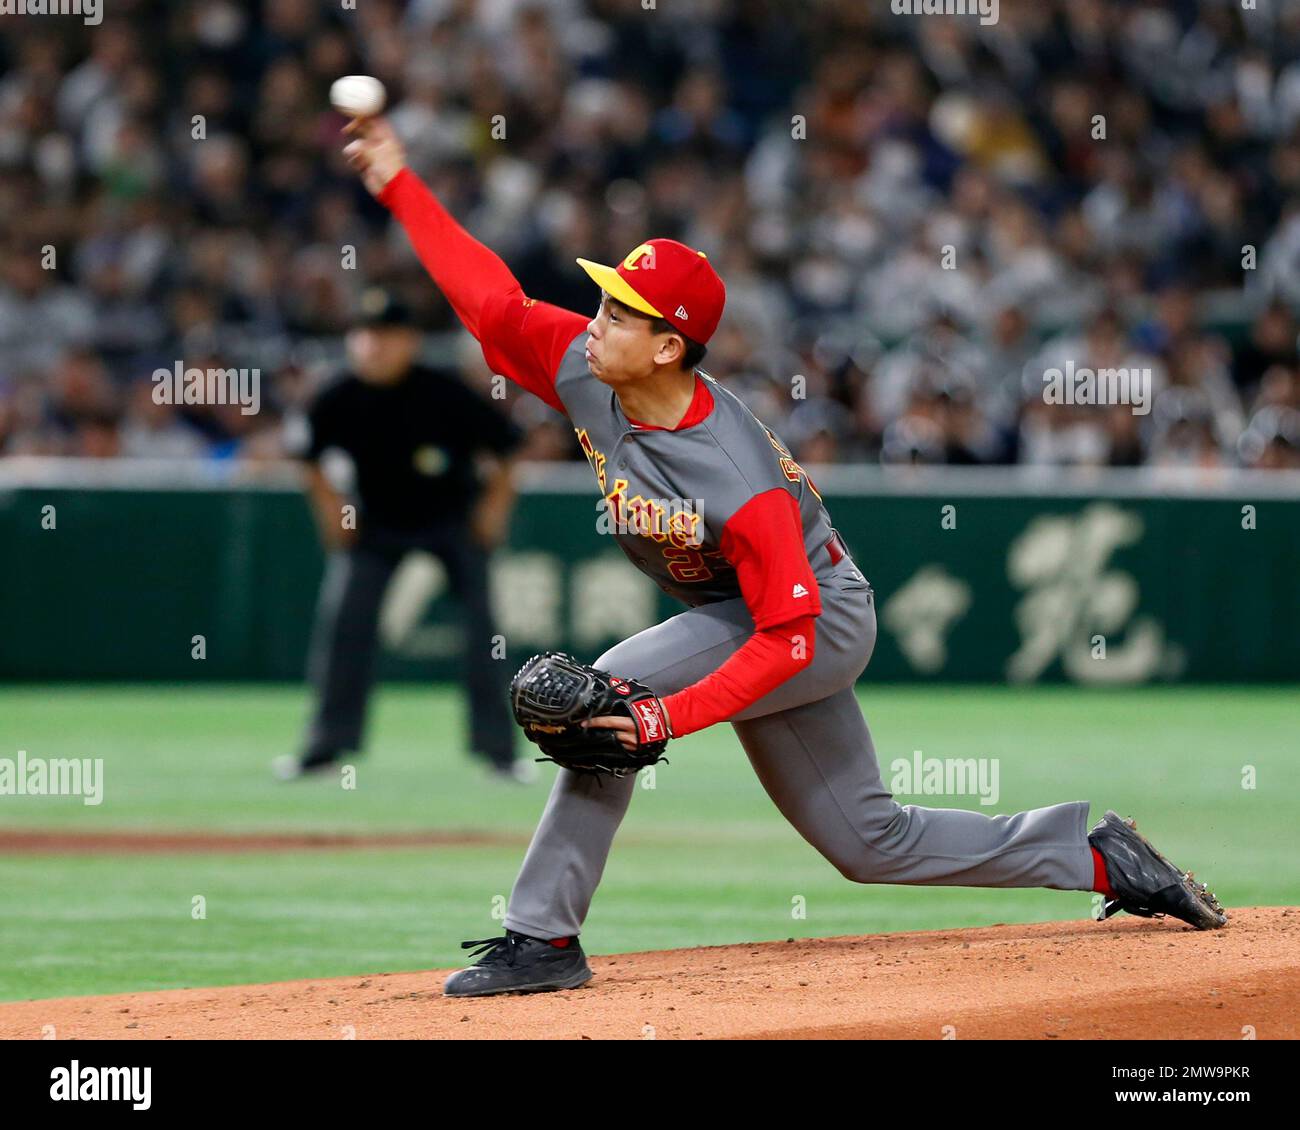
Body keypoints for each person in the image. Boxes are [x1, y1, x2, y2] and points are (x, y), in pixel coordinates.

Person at [341, 117, 1227, 998]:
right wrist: (398, 182)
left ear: (668, 347)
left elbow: (789, 639)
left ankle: (544, 936)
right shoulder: (588, 368)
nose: (596, 323)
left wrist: (664, 720)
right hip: (741, 615)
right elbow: (487, 301)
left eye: (620, 312)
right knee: (870, 843)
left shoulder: (736, 476)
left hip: (814, 617)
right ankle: (1096, 856)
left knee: (608, 702)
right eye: (604, 302)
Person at [274, 286, 531, 783]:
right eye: (366, 335)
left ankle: (500, 753)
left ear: (411, 342)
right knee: (345, 625)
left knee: (484, 633)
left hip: (451, 520)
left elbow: (508, 448)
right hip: (376, 525)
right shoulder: (337, 394)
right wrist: (333, 511)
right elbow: (306, 458)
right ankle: (324, 748)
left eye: (387, 336)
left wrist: (494, 508)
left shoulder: (443, 390)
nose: (374, 346)